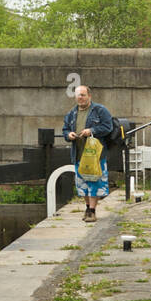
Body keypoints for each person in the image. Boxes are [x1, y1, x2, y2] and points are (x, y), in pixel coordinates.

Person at [62, 83, 113, 221]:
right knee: (82, 183)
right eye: (78, 95)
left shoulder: (100, 110)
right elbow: (65, 130)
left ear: (89, 96)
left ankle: (92, 211)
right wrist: (69, 135)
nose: (80, 98)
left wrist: (91, 131)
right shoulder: (71, 113)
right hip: (78, 153)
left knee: (95, 182)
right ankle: (87, 207)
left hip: (95, 154)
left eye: (83, 95)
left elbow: (108, 127)